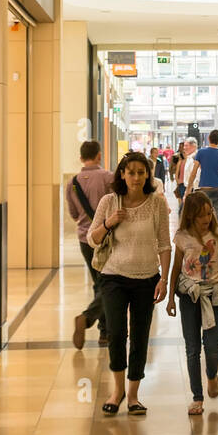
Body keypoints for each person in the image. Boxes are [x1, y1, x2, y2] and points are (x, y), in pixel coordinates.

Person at [87, 150, 171, 415]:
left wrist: (165, 280)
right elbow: (92, 239)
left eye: (141, 172)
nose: (136, 177)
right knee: (116, 334)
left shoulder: (157, 203)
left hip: (147, 277)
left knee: (140, 335)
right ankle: (117, 390)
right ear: (122, 174)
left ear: (148, 174)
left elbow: (165, 245)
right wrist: (109, 223)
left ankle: (133, 394)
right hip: (113, 277)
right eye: (131, 172)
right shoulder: (110, 201)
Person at [167, 189, 218, 415]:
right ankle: (197, 397)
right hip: (190, 296)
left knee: (211, 345)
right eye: (201, 215)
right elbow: (175, 269)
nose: (206, 219)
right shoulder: (182, 237)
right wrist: (170, 297)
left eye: (209, 214)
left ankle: (212, 375)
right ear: (190, 216)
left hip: (213, 297)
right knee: (192, 348)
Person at [67, 139, 114, 349]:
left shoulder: (73, 182)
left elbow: (74, 214)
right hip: (105, 237)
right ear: (99, 156)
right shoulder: (107, 177)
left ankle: (104, 332)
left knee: (99, 282)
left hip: (84, 239)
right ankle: (89, 319)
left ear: (80, 158)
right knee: (110, 283)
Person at [194, 128, 218, 221]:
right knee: (217, 219)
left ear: (209, 139)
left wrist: (188, 190)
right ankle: (215, 234)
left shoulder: (201, 152)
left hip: (204, 188)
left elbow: (194, 172)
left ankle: (206, 234)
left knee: (203, 217)